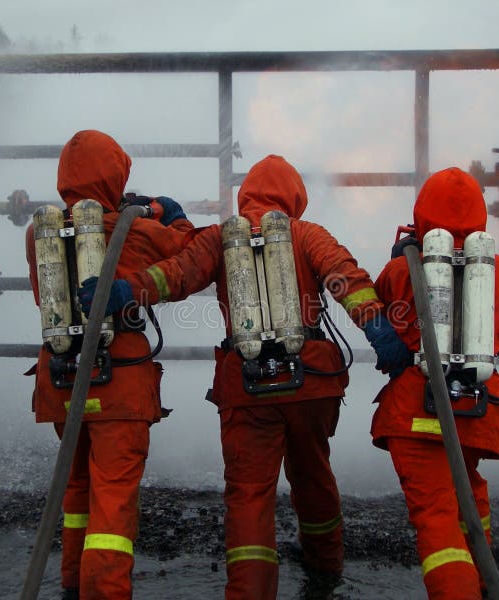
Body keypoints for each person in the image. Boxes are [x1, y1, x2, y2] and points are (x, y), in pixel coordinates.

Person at [78, 154, 411, 599]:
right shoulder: (306, 232)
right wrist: (378, 327)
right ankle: (325, 567)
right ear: (294, 197)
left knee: (250, 496)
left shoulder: (220, 239)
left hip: (247, 387)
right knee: (312, 476)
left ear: (245, 195)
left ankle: (250, 590)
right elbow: (344, 279)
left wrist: (124, 292)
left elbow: (175, 276)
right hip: (310, 383)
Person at [25, 129, 193, 599]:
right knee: (113, 506)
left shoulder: (38, 233)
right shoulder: (132, 230)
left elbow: (46, 297)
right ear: (115, 175)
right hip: (117, 384)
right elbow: (190, 255)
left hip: (61, 381)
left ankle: (73, 584)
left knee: (77, 489)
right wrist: (173, 213)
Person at [370, 167, 499, 599]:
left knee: (436, 518)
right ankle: (482, 580)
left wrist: (402, 255)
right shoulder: (497, 271)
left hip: (419, 413)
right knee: (468, 494)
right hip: (476, 409)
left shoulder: (402, 269)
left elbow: (388, 309)